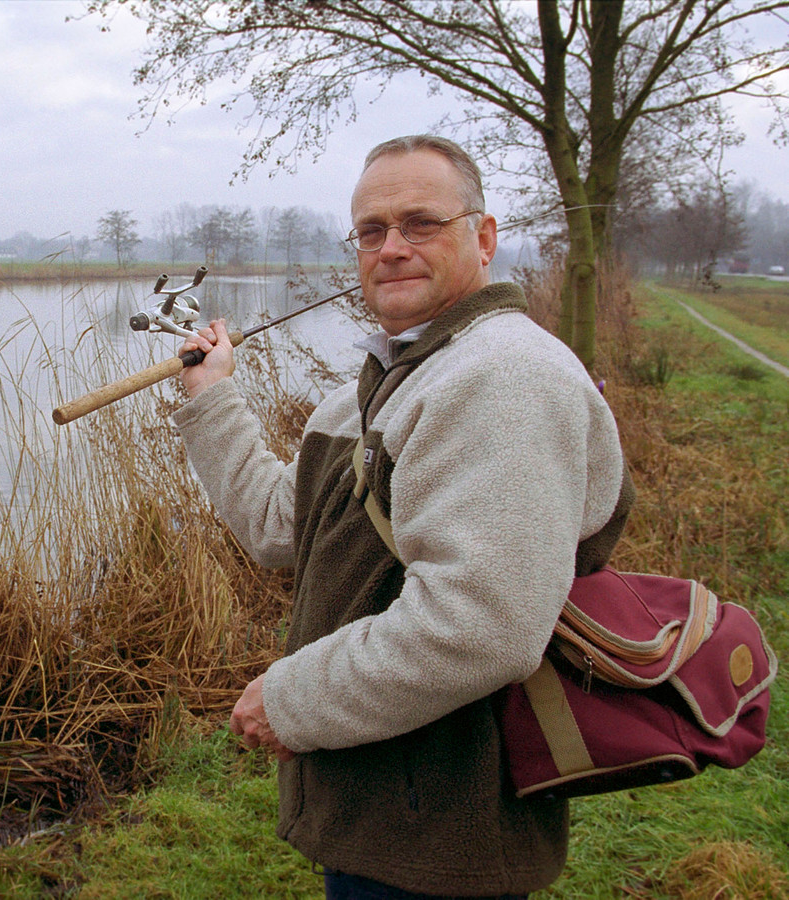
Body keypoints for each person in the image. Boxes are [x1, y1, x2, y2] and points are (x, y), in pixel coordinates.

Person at [172, 135, 633, 899]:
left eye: (420, 223)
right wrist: (214, 396)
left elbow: (481, 624)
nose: (390, 248)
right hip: (380, 806)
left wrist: (292, 700)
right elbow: (277, 527)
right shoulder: (387, 381)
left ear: (482, 238)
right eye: (371, 230)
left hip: (439, 834)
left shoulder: (505, 377)